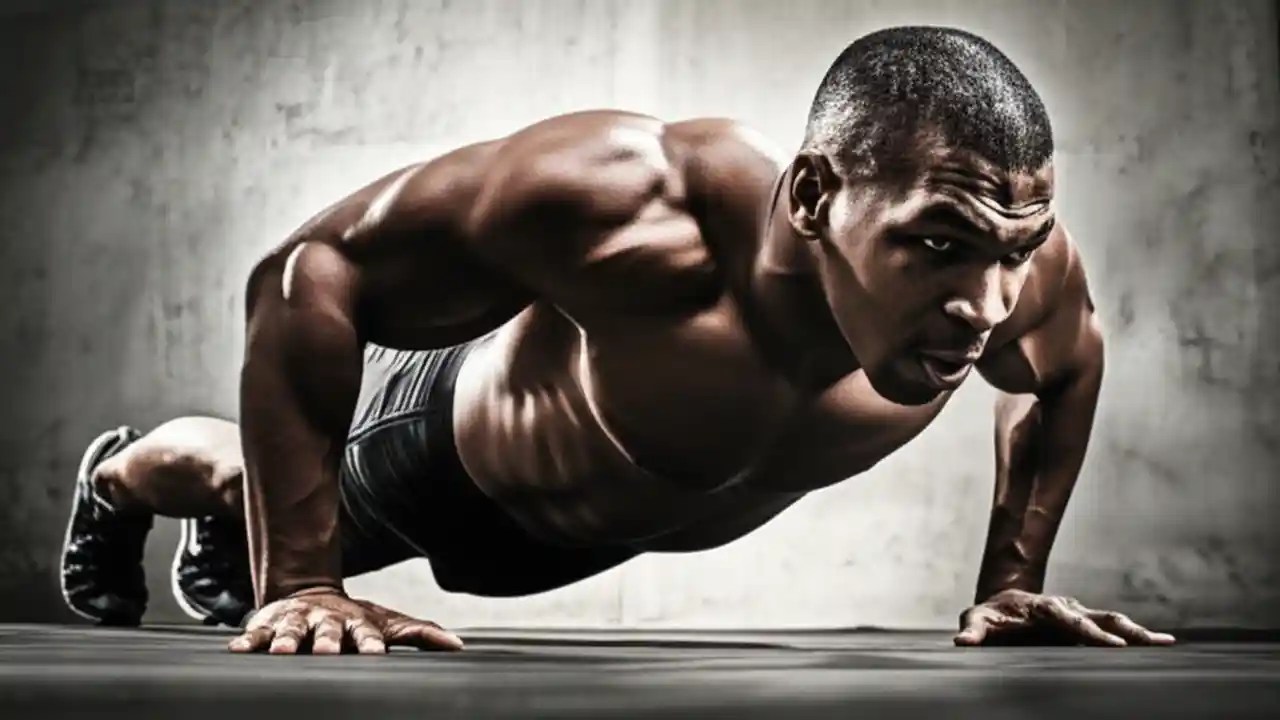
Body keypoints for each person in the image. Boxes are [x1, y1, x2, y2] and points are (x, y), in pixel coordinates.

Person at [61, 26, 1176, 654]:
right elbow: (311, 270)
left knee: (262, 518)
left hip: (606, 525)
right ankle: (117, 477)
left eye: (1012, 251)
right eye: (937, 244)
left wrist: (1012, 580)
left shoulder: (1013, 269)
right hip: (449, 462)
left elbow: (1063, 367)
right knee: (231, 474)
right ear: (810, 195)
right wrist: (296, 578)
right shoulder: (632, 201)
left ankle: (238, 536)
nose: (986, 304)